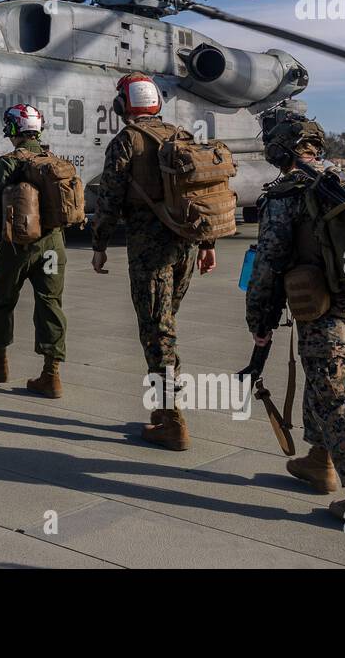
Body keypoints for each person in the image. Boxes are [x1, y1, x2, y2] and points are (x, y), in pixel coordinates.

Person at [245, 112, 345, 532]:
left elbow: (268, 264)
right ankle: (320, 460)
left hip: (326, 312)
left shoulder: (288, 192)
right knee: (327, 383)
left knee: (337, 397)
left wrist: (259, 319)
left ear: (277, 148)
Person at [91, 73, 217, 450]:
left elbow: (109, 198)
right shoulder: (181, 135)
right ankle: (165, 410)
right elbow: (203, 188)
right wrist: (207, 242)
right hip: (186, 243)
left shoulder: (126, 142)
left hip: (150, 248)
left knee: (156, 330)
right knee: (166, 321)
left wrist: (99, 244)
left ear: (122, 106)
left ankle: (172, 418)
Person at [0, 103, 67, 398]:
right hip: (53, 247)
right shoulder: (53, 159)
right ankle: (51, 376)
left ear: (13, 129)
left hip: (17, 246)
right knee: (50, 304)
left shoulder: (7, 162)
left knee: (1, 301)